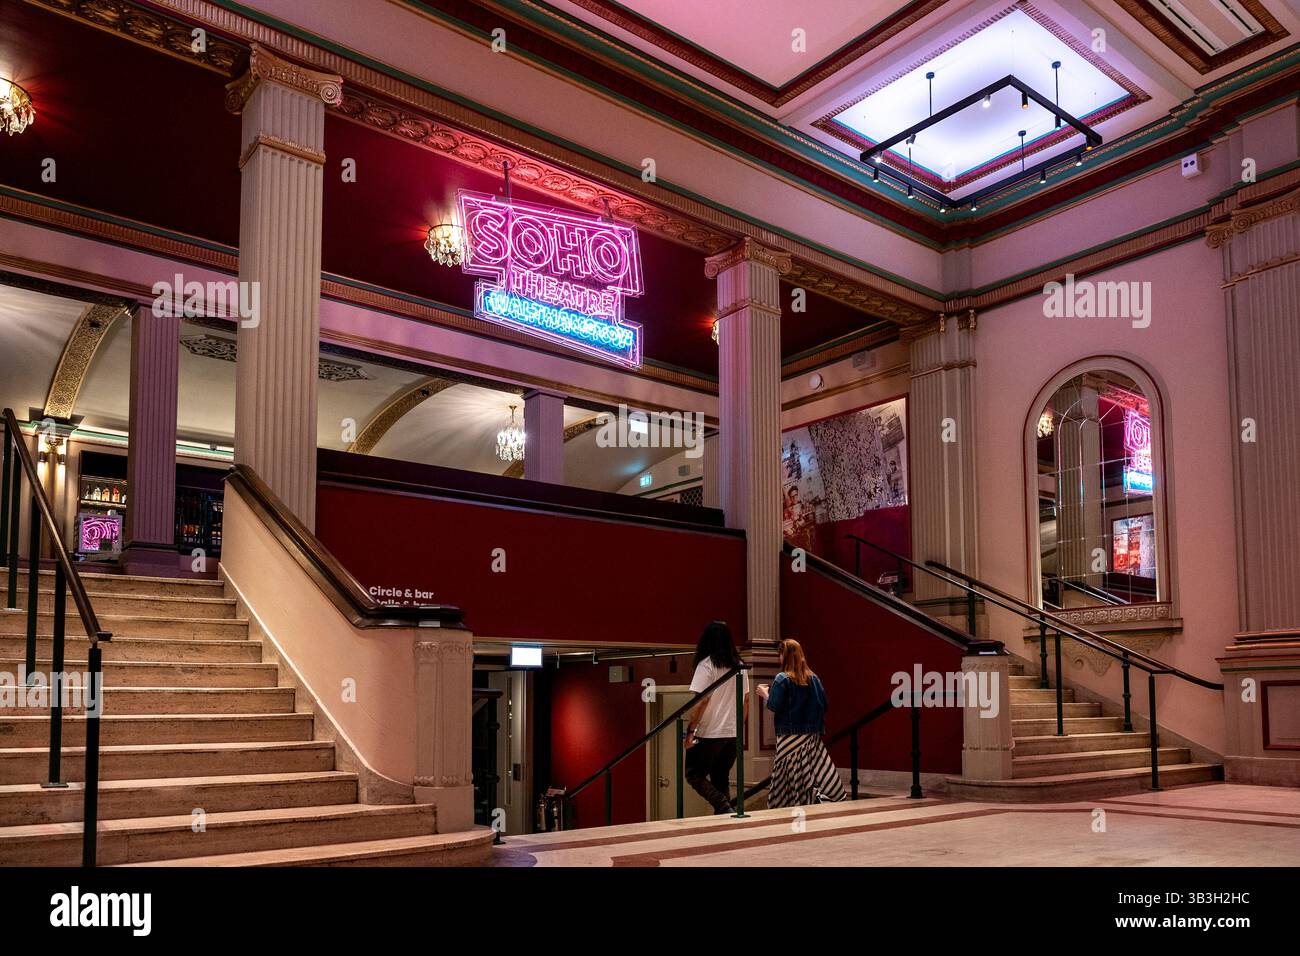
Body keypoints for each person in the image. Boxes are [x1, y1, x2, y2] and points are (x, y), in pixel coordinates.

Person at [758, 638, 846, 809]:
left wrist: (764, 694)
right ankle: (814, 800)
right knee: (811, 771)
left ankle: (786, 806)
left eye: (780, 655)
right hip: (811, 735)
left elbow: (774, 705)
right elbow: (824, 705)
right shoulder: (814, 678)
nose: (779, 659)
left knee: (788, 774)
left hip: (788, 736)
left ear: (785, 656)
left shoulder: (782, 679)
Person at [684, 620, 749, 815]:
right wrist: (739, 726)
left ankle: (723, 806)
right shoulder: (740, 665)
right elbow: (746, 701)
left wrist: (690, 731)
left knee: (693, 774)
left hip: (709, 732)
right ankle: (725, 814)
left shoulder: (706, 665)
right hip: (732, 732)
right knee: (720, 775)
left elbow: (701, 701)